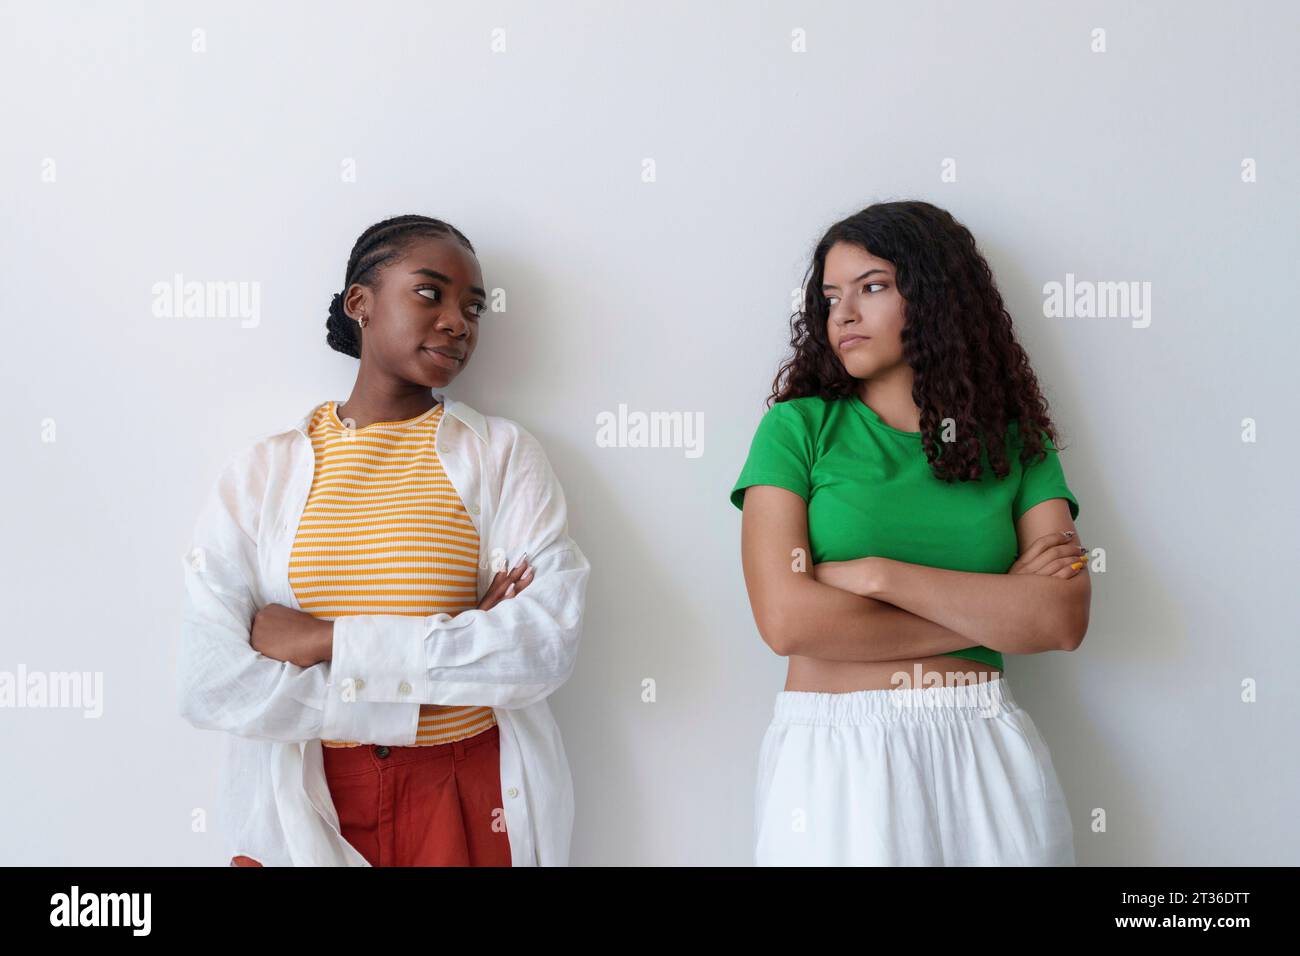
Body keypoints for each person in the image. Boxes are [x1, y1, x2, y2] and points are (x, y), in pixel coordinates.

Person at [178, 214, 590, 866]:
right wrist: (442, 656)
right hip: (305, 800)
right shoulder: (260, 474)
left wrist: (325, 641)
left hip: (463, 793)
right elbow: (212, 683)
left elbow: (539, 650)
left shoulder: (504, 456)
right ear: (360, 303)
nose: (458, 321)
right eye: (430, 293)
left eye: (473, 308)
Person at [730, 200, 1087, 865]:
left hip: (985, 744)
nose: (843, 313)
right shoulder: (797, 430)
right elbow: (787, 622)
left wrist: (879, 577)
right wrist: (999, 611)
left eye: (872, 287)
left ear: (935, 296)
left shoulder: (1015, 443)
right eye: (831, 295)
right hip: (834, 759)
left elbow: (1062, 618)